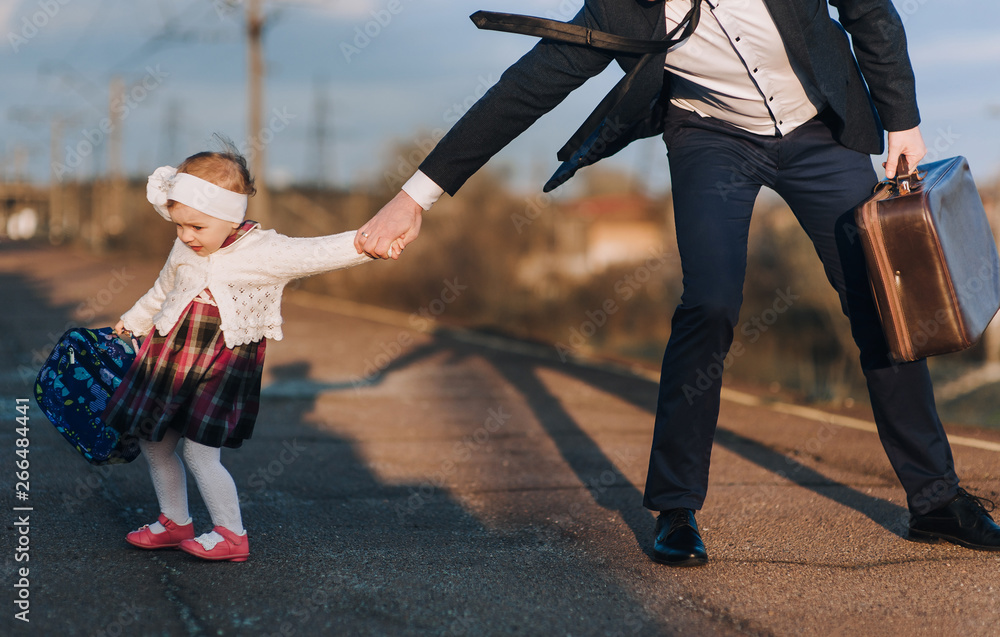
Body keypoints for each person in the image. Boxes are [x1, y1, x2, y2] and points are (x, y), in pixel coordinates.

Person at [354, 0, 1000, 566]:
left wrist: (902, 119)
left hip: (818, 130)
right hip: (711, 138)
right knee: (710, 302)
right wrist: (416, 197)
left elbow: (868, 10)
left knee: (880, 303)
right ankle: (675, 508)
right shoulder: (621, 8)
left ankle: (935, 498)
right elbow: (523, 90)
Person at [104, 145, 372, 562]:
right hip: (169, 354)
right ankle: (175, 522)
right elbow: (163, 289)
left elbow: (315, 252)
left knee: (197, 450)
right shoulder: (185, 248)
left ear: (231, 216)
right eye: (179, 226)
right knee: (154, 442)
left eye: (196, 226)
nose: (187, 236)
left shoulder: (262, 251)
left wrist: (365, 243)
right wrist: (134, 319)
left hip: (220, 363)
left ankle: (231, 533)